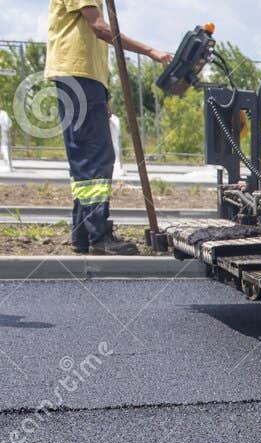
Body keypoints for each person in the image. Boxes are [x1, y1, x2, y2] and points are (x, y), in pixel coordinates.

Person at [43, 1, 171, 254]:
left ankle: (83, 235)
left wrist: (103, 93)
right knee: (96, 158)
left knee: (87, 158)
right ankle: (99, 236)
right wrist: (151, 52)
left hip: (84, 80)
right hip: (78, 77)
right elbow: (99, 28)